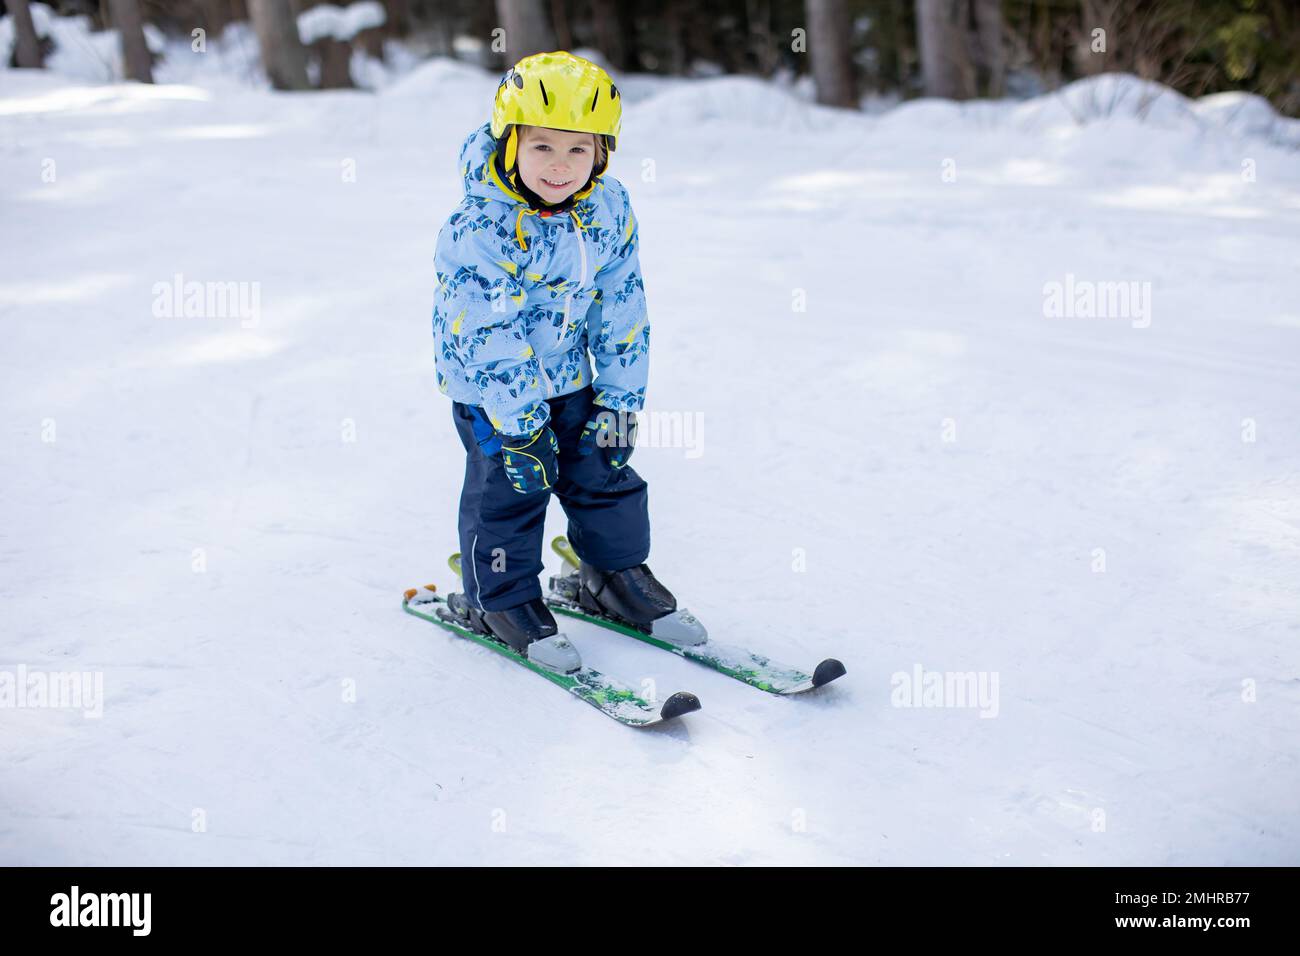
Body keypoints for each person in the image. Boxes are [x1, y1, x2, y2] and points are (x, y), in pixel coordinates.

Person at [431, 51, 675, 658]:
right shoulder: (480, 227)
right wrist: (520, 425)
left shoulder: (607, 208)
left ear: (602, 152)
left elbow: (621, 303)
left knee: (603, 470)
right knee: (511, 490)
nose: (560, 165)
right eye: (542, 146)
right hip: (495, 396)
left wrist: (619, 400)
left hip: (571, 378)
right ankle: (500, 598)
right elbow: (487, 332)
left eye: (577, 149)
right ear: (509, 142)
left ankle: (613, 575)